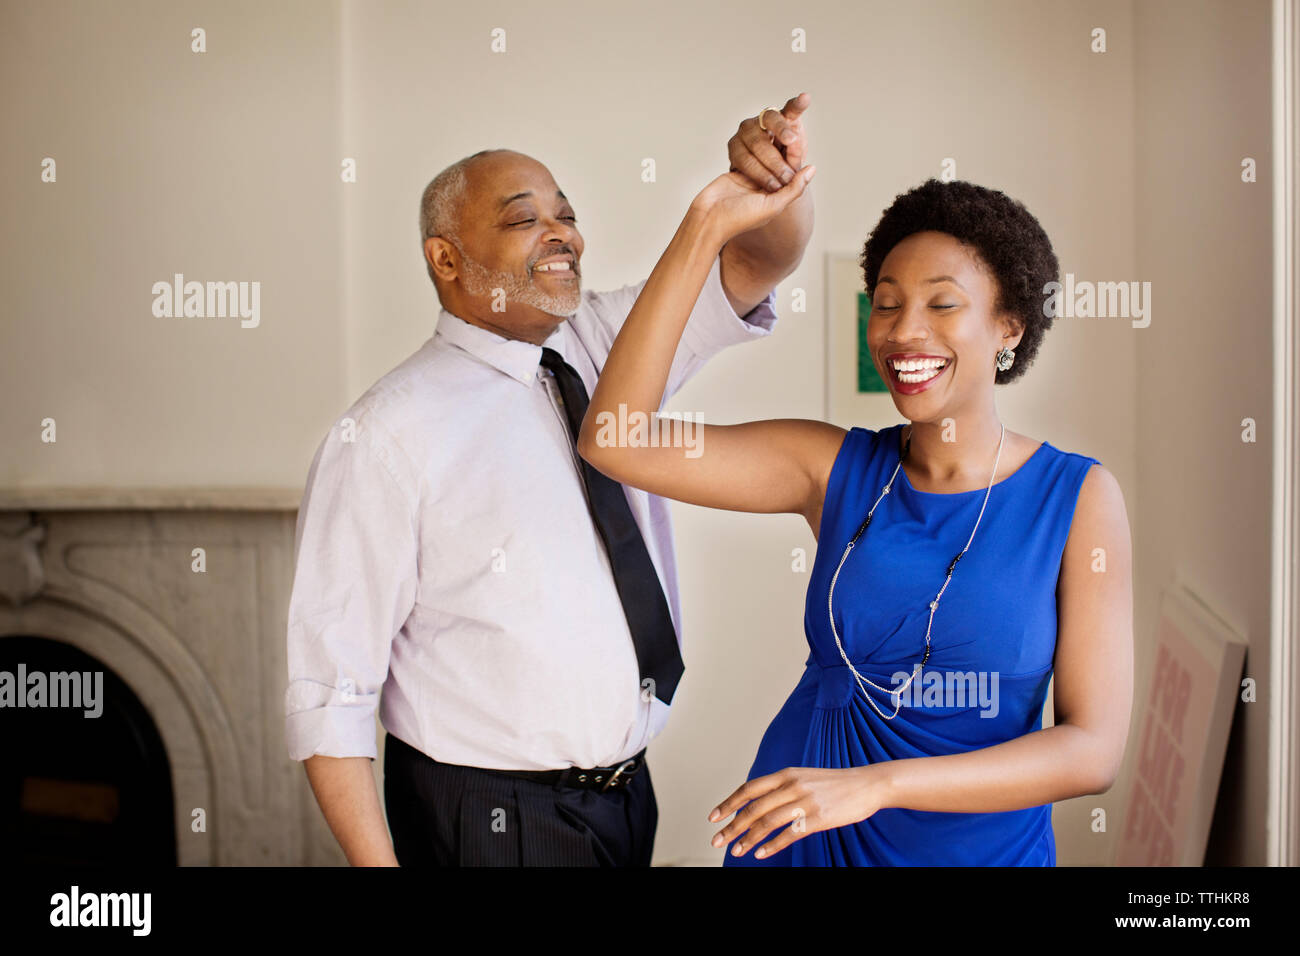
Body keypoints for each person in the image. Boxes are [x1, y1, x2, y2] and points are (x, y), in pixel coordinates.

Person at [283, 94, 817, 866]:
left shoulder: (604, 345)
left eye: (564, 214)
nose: (561, 231)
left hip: (628, 798)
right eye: (522, 218)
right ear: (445, 259)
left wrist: (778, 176)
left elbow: (755, 261)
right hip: (489, 819)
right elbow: (330, 695)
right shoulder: (384, 435)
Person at [577, 174, 1134, 866]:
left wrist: (878, 786)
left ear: (1008, 326)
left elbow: (1092, 751)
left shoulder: (1078, 498)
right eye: (888, 304)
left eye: (942, 304)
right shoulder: (834, 468)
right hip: (804, 840)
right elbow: (615, 437)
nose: (904, 331)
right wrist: (706, 225)